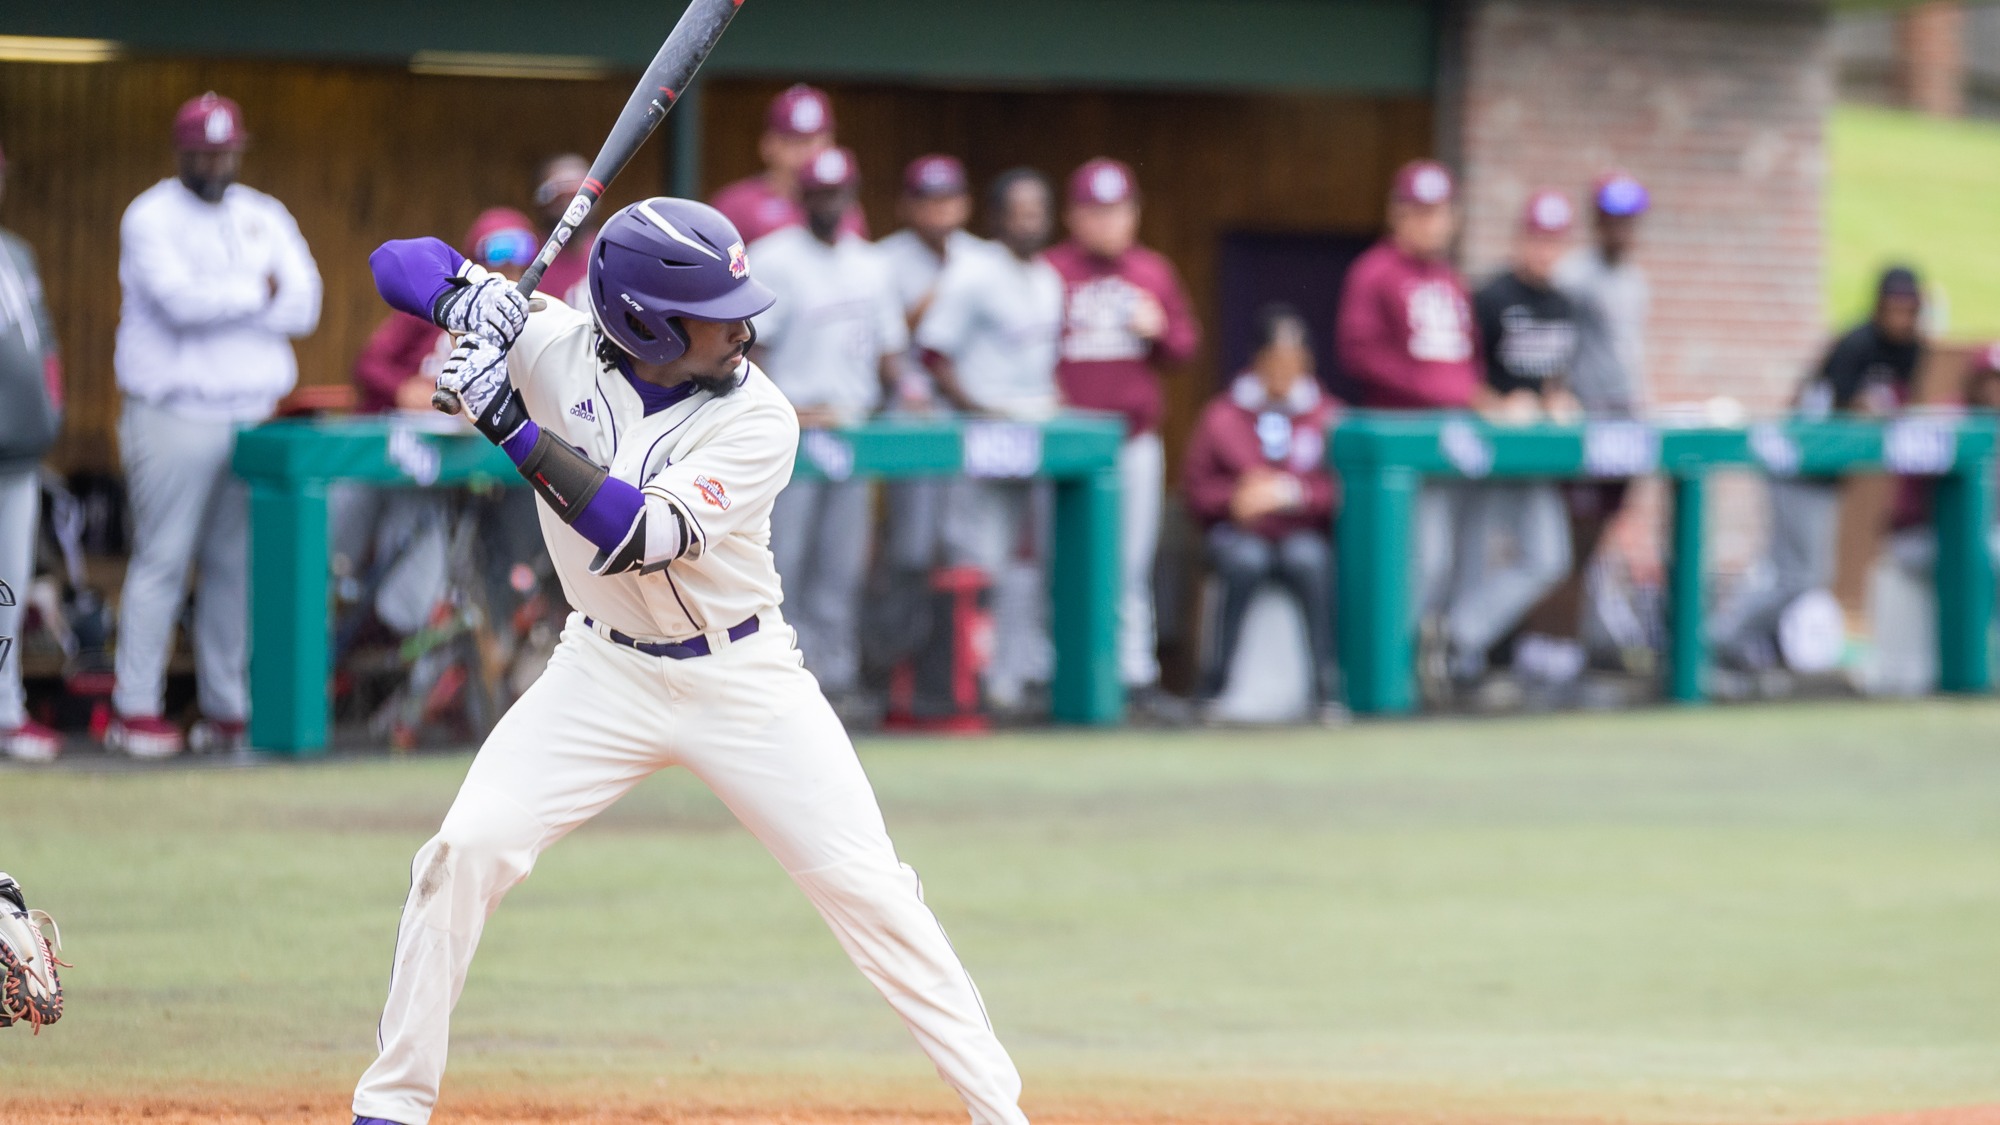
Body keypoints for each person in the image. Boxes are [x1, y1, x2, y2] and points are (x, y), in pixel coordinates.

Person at [352, 195, 1027, 1125]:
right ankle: (388, 1109)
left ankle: (1002, 1113)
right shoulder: (549, 343)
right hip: (600, 674)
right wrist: (470, 302)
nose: (744, 327)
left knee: (873, 893)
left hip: (742, 678)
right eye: (716, 313)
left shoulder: (762, 419)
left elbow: (637, 533)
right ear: (644, 322)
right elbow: (398, 254)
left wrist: (511, 425)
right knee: (463, 851)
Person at [106, 92, 322, 758]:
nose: (215, 159)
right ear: (182, 151)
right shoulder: (150, 214)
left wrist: (246, 298)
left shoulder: (264, 213)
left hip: (254, 415)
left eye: (225, 148)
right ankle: (133, 709)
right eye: (203, 149)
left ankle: (228, 709)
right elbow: (177, 304)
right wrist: (254, 292)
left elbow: (304, 304)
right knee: (162, 559)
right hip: (174, 411)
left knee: (236, 566)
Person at [749, 147, 906, 715]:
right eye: (818, 193)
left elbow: (890, 355)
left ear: (853, 195)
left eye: (838, 193)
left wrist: (907, 393)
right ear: (802, 198)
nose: (829, 204)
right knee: (784, 560)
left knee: (842, 566)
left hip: (851, 428)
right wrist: (783, 411)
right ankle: (777, 681)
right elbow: (749, 352)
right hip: (791, 431)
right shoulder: (775, 257)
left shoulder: (871, 263)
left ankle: (833, 680)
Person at [1709, 265, 1928, 673]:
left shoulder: (1912, 349)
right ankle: (1720, 640)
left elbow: (1898, 407)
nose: (1901, 317)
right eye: (1894, 307)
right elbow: (1822, 407)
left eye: (1909, 309)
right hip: (1798, 468)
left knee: (1796, 574)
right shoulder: (1855, 344)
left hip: (1829, 478)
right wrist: (1858, 410)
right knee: (1799, 576)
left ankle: (1738, 643)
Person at [1045, 158, 1200, 722]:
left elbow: (1184, 350)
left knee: (1132, 564)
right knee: (1055, 561)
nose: (1108, 222)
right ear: (1073, 215)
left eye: (1117, 210)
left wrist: (1160, 329)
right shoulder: (1051, 270)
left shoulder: (1151, 271)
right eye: (1095, 210)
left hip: (1132, 439)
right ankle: (1051, 672)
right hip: (1064, 445)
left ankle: (1134, 676)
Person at [339, 209, 539, 643]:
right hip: (395, 448)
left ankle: (416, 625)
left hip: (465, 463)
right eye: (498, 251)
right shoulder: (439, 303)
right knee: (347, 540)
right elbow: (368, 364)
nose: (509, 264)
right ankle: (365, 608)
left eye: (521, 251)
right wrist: (402, 388)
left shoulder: (530, 320)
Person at [1332, 159, 1485, 700]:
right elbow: (1359, 354)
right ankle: (1386, 672)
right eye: (1418, 211)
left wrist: (1474, 398)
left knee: (1462, 557)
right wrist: (1436, 391)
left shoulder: (1451, 281)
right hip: (1397, 447)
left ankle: (1437, 660)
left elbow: (1468, 363)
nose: (1429, 223)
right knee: (1415, 561)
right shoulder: (1373, 272)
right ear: (1397, 214)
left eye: (1439, 212)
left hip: (1455, 441)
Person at [915, 168, 1066, 712]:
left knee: (1030, 568)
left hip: (1039, 441)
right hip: (981, 439)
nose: (1030, 223)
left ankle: (1015, 679)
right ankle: (964, 688)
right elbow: (933, 353)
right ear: (998, 217)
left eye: (1038, 211)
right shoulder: (974, 272)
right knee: (978, 563)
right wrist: (980, 407)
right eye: (1019, 212)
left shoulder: (1049, 277)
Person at [1180, 304, 1340, 719]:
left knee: (1310, 560)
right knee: (1245, 561)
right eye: (1276, 361)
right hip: (1238, 533)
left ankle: (1325, 686)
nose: (1285, 372)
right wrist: (1233, 499)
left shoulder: (1326, 416)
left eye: (1295, 362)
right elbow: (1195, 490)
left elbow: (1340, 490)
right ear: (1257, 362)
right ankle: (1214, 685)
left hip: (1300, 532)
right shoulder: (1223, 415)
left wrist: (1292, 493)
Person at [1457, 190, 1580, 690]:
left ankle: (1460, 635)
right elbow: (1461, 374)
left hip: (1532, 455)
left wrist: (1558, 402)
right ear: (1518, 239)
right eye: (1536, 238)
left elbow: (1552, 376)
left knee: (1548, 557)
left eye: (1554, 241)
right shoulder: (1490, 297)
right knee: (1468, 556)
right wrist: (1497, 406)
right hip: (1482, 451)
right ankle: (1454, 658)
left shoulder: (1563, 303)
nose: (1544, 250)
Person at [0, 141, 66, 762]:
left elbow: (40, 339)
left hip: (16, 452)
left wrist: (50, 410)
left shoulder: (15, 252)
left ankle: (6, 712)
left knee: (9, 585)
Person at [710, 84, 868, 246]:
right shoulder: (737, 205)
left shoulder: (845, 209)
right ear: (768, 145)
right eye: (795, 142)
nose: (808, 152)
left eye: (815, 141)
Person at [525, 154, 594, 308]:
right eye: (558, 193)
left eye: (579, 192)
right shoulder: (523, 256)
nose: (572, 204)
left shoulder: (609, 255)